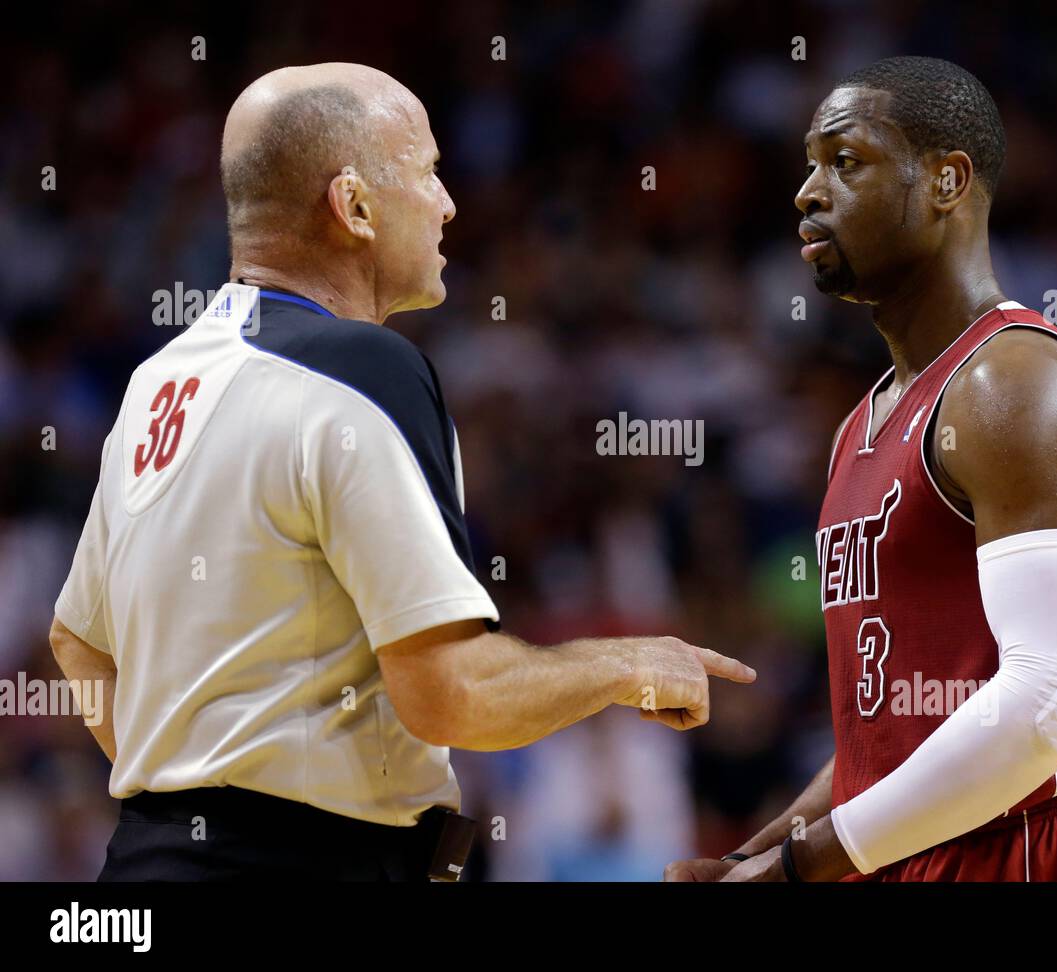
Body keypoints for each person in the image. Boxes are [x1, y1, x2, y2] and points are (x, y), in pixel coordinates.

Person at [49, 62, 754, 882]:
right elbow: (449, 693)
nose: (449, 202)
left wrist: (184, 792)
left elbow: (77, 641)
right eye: (425, 171)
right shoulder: (363, 367)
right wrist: (629, 665)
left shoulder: (158, 379)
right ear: (353, 206)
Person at [666, 55, 1057, 882]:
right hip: (916, 854)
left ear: (946, 181)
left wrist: (803, 868)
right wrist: (755, 857)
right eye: (807, 162)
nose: (806, 191)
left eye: (846, 161)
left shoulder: (1014, 383)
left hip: (1040, 851)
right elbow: (901, 727)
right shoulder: (860, 424)